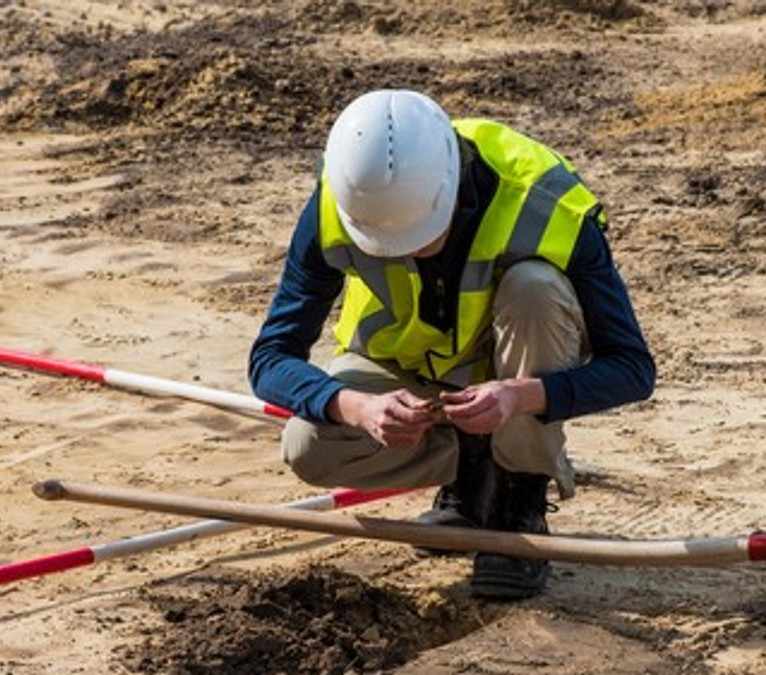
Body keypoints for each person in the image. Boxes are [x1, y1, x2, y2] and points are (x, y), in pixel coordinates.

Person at [249, 89, 655, 599]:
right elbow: (270, 357)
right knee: (307, 444)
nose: (407, 252)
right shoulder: (341, 201)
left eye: (420, 236)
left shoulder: (545, 203)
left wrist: (517, 399)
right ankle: (471, 468)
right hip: (403, 373)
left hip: (512, 379)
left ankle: (516, 501)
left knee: (535, 288)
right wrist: (359, 407)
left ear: (453, 189)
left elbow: (632, 369)